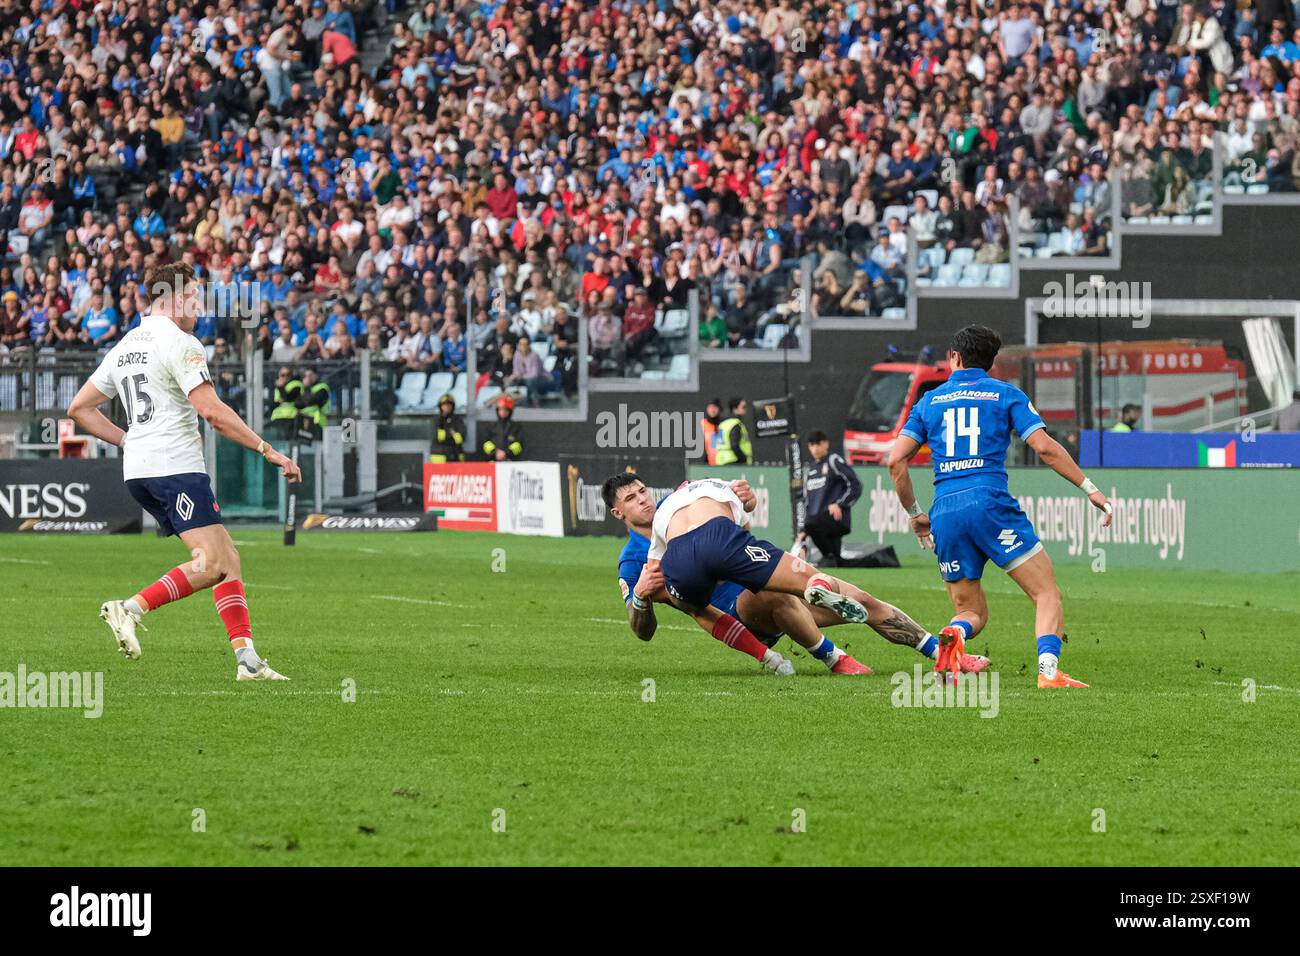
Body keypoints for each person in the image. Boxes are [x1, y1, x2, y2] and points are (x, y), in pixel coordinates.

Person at [66, 262, 300, 681]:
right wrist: (268, 450)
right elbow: (212, 412)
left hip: (140, 469)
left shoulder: (124, 346)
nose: (200, 307)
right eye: (194, 297)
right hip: (175, 467)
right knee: (211, 561)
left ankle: (247, 659)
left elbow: (79, 408)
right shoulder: (181, 342)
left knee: (227, 558)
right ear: (172, 299)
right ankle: (131, 608)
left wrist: (128, 441)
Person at [887, 325, 1114, 689]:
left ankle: (953, 635)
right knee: (1046, 593)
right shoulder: (1006, 394)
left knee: (970, 611)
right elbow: (1044, 447)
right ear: (991, 363)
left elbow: (896, 460)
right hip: (989, 502)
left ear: (954, 358)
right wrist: (1089, 488)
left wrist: (916, 514)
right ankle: (1048, 673)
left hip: (944, 508)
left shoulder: (929, 401)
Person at [604, 475, 986, 675]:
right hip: (743, 613)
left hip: (750, 574)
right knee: (775, 594)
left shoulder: (679, 512)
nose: (643, 499)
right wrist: (639, 597)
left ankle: (944, 656)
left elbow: (740, 535)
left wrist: (747, 501)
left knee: (863, 600)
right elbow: (643, 631)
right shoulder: (634, 560)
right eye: (632, 499)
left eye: (642, 491)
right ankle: (834, 658)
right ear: (618, 514)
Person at [795, 430, 863, 567]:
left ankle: (828, 556)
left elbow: (855, 484)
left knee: (811, 525)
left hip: (835, 518)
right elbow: (806, 502)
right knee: (838, 562)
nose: (814, 449)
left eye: (818, 444)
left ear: (826, 444)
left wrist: (840, 504)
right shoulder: (810, 470)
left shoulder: (833, 461)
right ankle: (833, 558)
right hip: (818, 522)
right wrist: (802, 529)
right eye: (811, 445)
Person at [482, 394, 523, 460]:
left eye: (506, 410)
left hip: (511, 461)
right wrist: (495, 453)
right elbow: (486, 443)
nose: (503, 412)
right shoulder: (491, 426)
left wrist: (506, 453)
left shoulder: (516, 427)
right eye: (500, 410)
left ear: (510, 412)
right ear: (497, 411)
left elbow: (519, 444)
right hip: (493, 461)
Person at [714, 396, 751, 465]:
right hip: (734, 462)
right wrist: (744, 459)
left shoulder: (722, 424)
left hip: (721, 461)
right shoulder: (735, 424)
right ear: (735, 409)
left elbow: (714, 444)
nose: (745, 410)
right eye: (743, 407)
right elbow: (734, 446)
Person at [430, 393, 465, 463]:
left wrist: (447, 435)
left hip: (455, 454)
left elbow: (460, 438)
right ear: (440, 406)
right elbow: (439, 438)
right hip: (439, 456)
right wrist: (452, 432)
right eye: (444, 405)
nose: (447, 407)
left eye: (449, 405)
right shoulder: (437, 420)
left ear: (452, 406)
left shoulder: (458, 419)